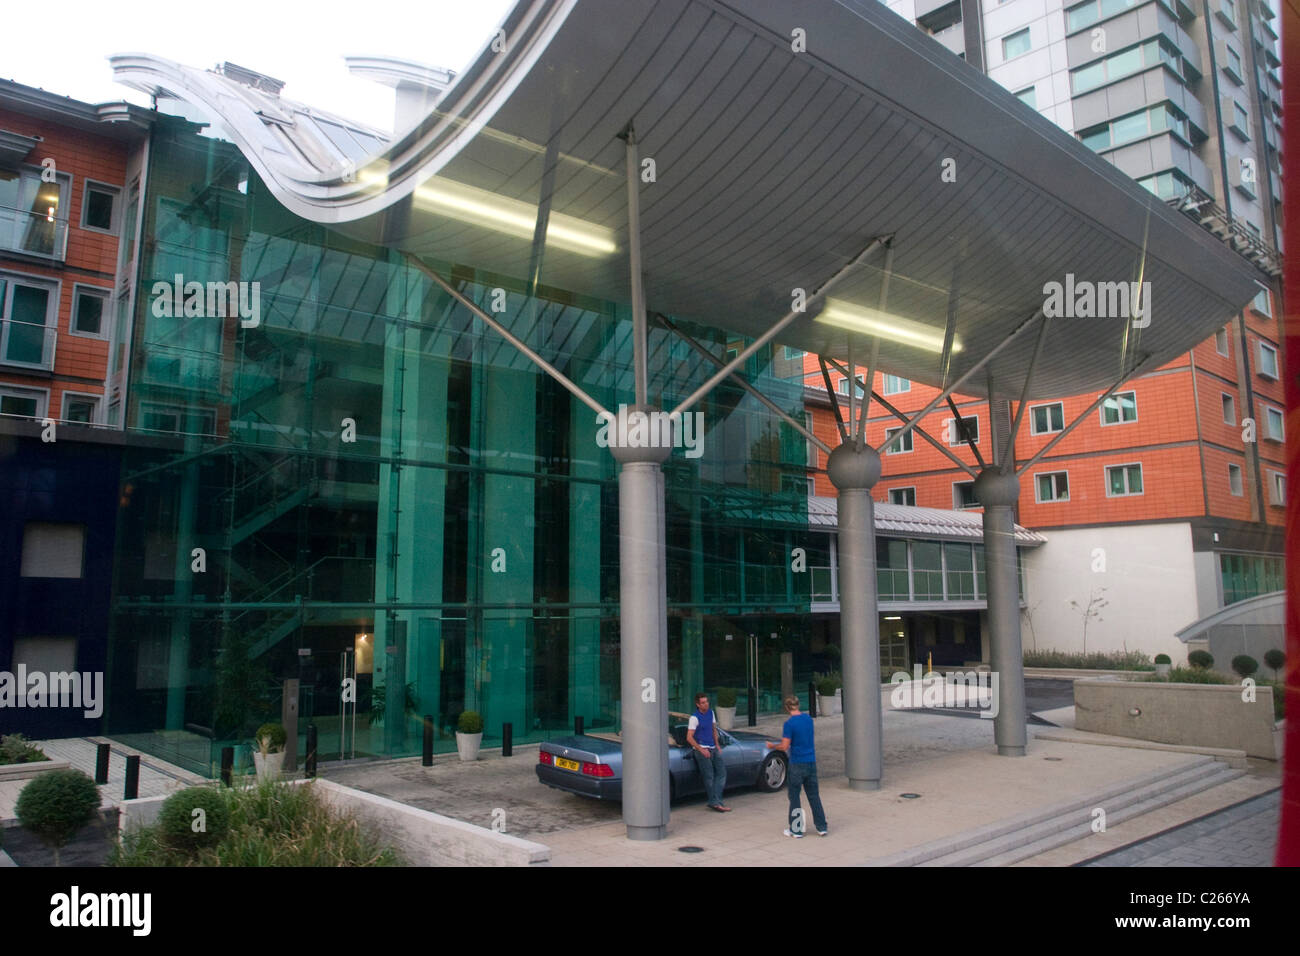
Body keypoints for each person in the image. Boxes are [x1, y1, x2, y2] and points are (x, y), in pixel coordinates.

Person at [767, 695, 827, 837]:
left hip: (797, 763)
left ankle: (796, 829)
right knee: (814, 795)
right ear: (798, 705)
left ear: (787, 707)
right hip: (810, 761)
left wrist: (772, 746)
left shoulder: (789, 724)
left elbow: (785, 746)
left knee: (794, 796)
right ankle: (821, 826)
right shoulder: (808, 719)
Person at [687, 691, 731, 812]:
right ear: (698, 704)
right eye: (703, 703)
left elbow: (714, 730)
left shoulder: (711, 713)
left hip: (713, 747)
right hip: (702, 749)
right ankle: (716, 802)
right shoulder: (694, 718)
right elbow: (689, 737)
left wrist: (717, 745)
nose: (706, 704)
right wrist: (701, 749)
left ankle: (714, 800)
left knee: (722, 773)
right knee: (709, 776)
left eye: (706, 702)